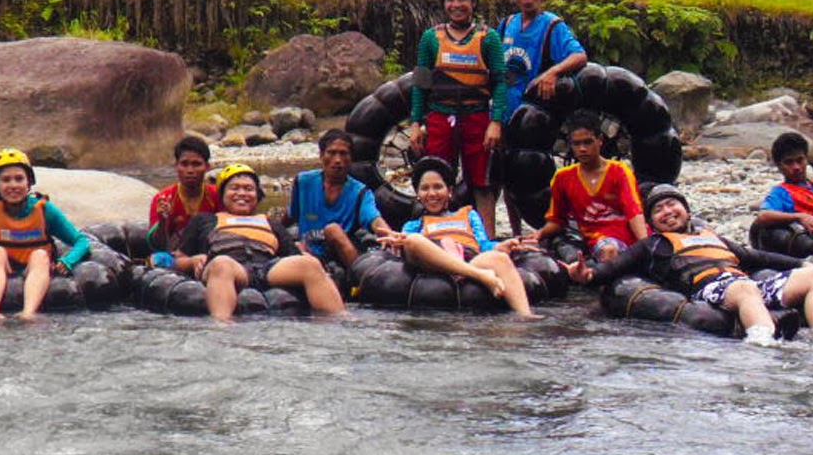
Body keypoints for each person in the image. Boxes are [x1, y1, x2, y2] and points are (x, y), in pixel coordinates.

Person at [568, 184, 813, 344]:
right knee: (745, 289)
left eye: (672, 204)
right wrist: (587, 275)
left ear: (686, 210)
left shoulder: (713, 237)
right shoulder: (653, 245)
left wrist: (805, 263)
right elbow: (615, 267)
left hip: (746, 288)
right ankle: (763, 347)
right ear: (651, 223)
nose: (667, 212)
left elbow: (760, 258)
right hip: (710, 291)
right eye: (658, 210)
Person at [167, 163, 346, 322]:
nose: (242, 194)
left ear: (257, 195)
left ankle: (341, 321)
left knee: (309, 264)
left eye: (248, 189)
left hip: (266, 267)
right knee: (222, 264)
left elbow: (292, 255)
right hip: (230, 266)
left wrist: (310, 259)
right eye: (234, 188)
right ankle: (221, 327)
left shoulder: (269, 222)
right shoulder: (205, 220)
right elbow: (178, 259)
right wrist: (192, 261)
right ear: (222, 194)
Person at [408, 0, 508, 239]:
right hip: (441, 116)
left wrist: (495, 121)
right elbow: (420, 82)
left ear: (473, 3)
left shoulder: (489, 38)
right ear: (444, 3)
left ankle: (486, 240)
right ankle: (442, 235)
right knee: (437, 177)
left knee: (483, 183)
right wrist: (416, 123)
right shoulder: (431, 38)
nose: (457, 5)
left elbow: (499, 81)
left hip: (477, 117)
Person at [378, 157, 541, 317]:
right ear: (418, 194)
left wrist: (500, 247)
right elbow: (411, 251)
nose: (432, 193)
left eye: (438, 187)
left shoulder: (469, 215)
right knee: (412, 240)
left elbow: (483, 244)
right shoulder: (413, 225)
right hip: (438, 262)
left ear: (449, 191)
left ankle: (526, 316)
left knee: (500, 259)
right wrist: (398, 243)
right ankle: (480, 276)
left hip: (469, 258)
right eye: (425, 188)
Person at [0, 149, 92, 320]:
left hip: (36, 267)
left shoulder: (45, 210)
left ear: (29, 182)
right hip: (3, 266)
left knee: (40, 255)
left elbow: (81, 242)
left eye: (19, 179)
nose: (13, 186)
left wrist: (68, 260)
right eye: (5, 180)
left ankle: (29, 313)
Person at [532, 111, 648, 260]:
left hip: (629, 235)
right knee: (608, 250)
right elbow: (557, 220)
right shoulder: (563, 178)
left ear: (599, 140)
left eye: (587, 142)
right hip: (600, 241)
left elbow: (634, 211)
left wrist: (645, 246)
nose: (582, 149)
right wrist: (538, 234)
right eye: (576, 144)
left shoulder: (619, 171)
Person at [285, 129, 394, 267]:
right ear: (321, 155)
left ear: (351, 159)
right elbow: (291, 215)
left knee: (333, 230)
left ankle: (358, 280)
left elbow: (374, 219)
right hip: (309, 255)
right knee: (297, 247)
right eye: (331, 153)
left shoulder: (360, 192)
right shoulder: (303, 182)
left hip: (342, 256)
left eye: (343, 154)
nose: (337, 160)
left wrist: (388, 234)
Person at [498, 0, 587, 120]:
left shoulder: (552, 25)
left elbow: (579, 56)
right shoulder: (507, 23)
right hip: (503, 105)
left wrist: (553, 72)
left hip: (532, 111)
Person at [148, 135, 220, 253]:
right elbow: (157, 246)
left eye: (196, 164)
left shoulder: (217, 195)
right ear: (176, 166)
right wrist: (162, 222)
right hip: (175, 256)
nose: (190, 170)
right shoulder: (163, 199)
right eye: (184, 164)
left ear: (207, 167)